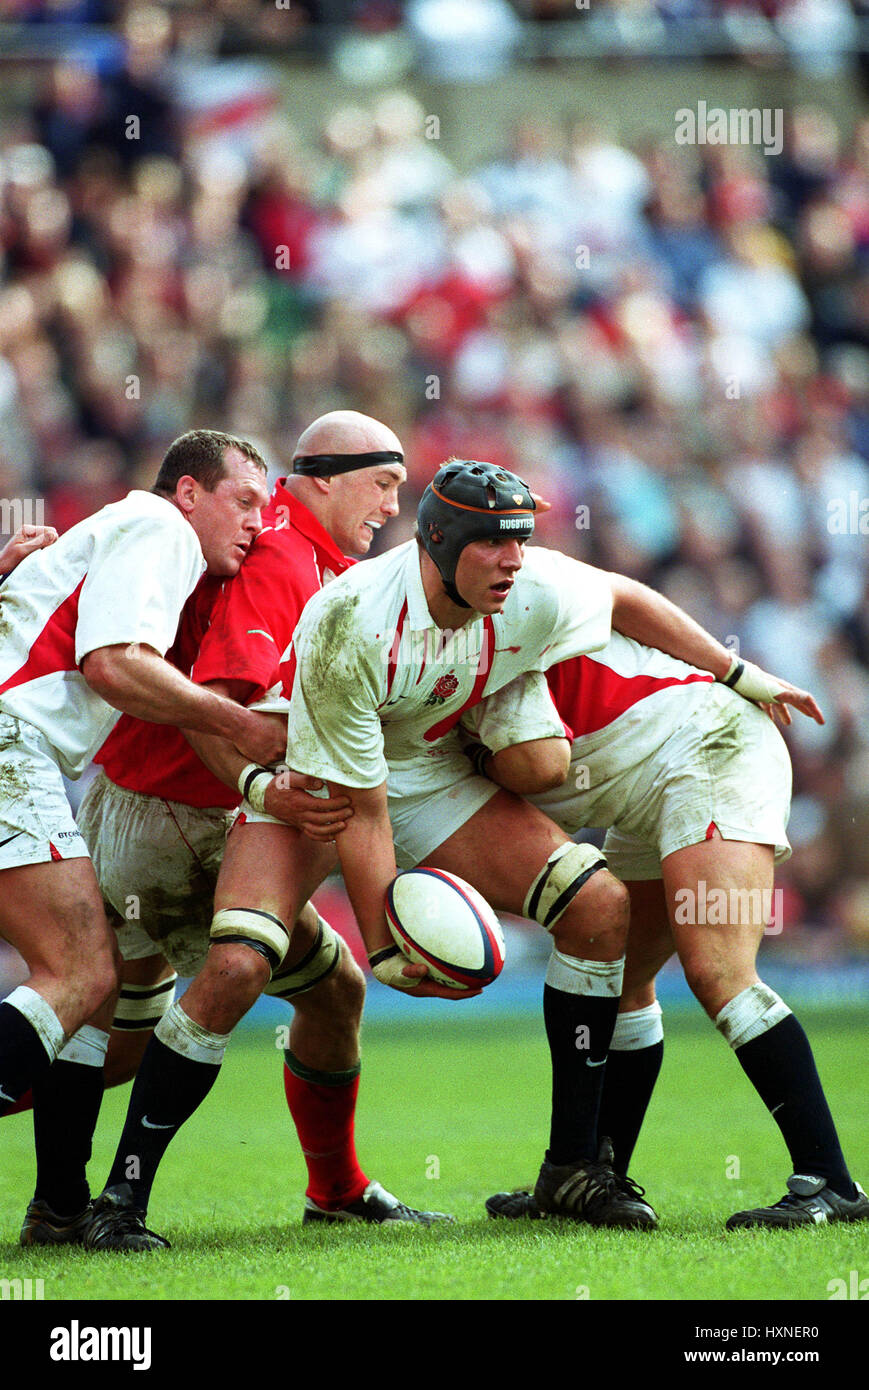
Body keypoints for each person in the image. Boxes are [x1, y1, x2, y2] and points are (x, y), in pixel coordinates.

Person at [85, 459, 821, 1247]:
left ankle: (573, 1168)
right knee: (236, 967)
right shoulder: (347, 615)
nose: (512, 560)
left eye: (518, 542)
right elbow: (360, 804)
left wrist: (738, 671)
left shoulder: (527, 583)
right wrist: (383, 939)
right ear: (435, 543)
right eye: (490, 545)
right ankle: (119, 1201)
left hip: (427, 767)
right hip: (320, 774)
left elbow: (622, 597)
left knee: (599, 909)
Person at [41, 412, 446, 1250]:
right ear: (324, 478)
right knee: (243, 977)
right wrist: (261, 782)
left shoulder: (304, 555)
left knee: (106, 1022)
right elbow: (220, 698)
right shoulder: (283, 558)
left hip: (146, 800)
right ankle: (118, 1204)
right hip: (177, 814)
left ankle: (62, 1207)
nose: (391, 506)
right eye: (382, 485)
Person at [464, 637, 869, 1230]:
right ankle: (593, 1181)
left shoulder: (494, 631)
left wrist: (732, 668)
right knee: (624, 978)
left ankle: (831, 1182)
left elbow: (543, 765)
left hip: (708, 749)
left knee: (719, 973)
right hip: (652, 776)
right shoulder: (464, 637)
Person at [0, 429, 287, 1245]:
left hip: (23, 747)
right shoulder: (157, 528)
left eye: (266, 510)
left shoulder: (106, 536)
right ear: (188, 494)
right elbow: (113, 663)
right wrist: (234, 720)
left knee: (83, 983)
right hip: (8, 742)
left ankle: (57, 1207)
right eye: (242, 502)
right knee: (83, 971)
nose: (256, 524)